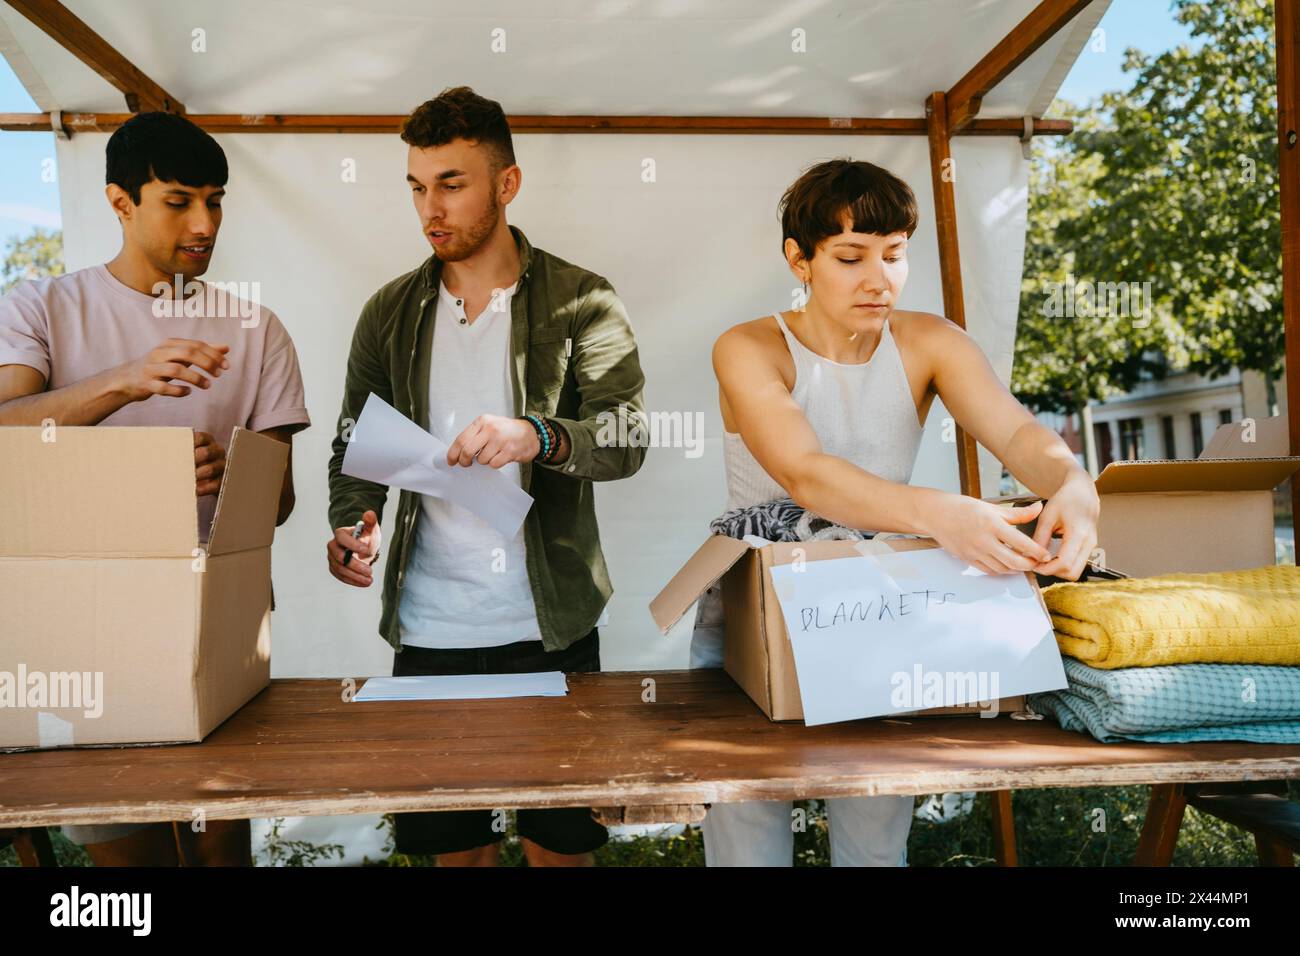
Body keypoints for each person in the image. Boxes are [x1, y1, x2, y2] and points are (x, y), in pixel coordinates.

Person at [693, 157, 1101, 866]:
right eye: (850, 257)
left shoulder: (929, 340)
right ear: (799, 259)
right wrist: (940, 514)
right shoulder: (749, 346)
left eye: (894, 255)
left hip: (874, 602)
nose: (878, 278)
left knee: (876, 835)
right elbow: (806, 474)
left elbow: (1013, 433)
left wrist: (1073, 480)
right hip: (756, 602)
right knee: (748, 837)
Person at [325, 86, 647, 867]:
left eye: (451, 184)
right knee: (455, 853)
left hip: (552, 626)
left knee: (559, 850)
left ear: (507, 184)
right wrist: (351, 519)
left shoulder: (582, 299)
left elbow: (627, 438)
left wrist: (536, 435)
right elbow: (352, 444)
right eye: (417, 186)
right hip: (428, 629)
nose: (429, 208)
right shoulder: (388, 312)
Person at [0, 111, 311, 865]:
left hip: (221, 628)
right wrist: (123, 384)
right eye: (179, 201)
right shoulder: (39, 307)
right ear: (120, 202)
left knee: (220, 856)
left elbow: (279, 503)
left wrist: (225, 482)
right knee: (129, 866)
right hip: (83, 631)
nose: (205, 223)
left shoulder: (255, 327)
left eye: (216, 198)